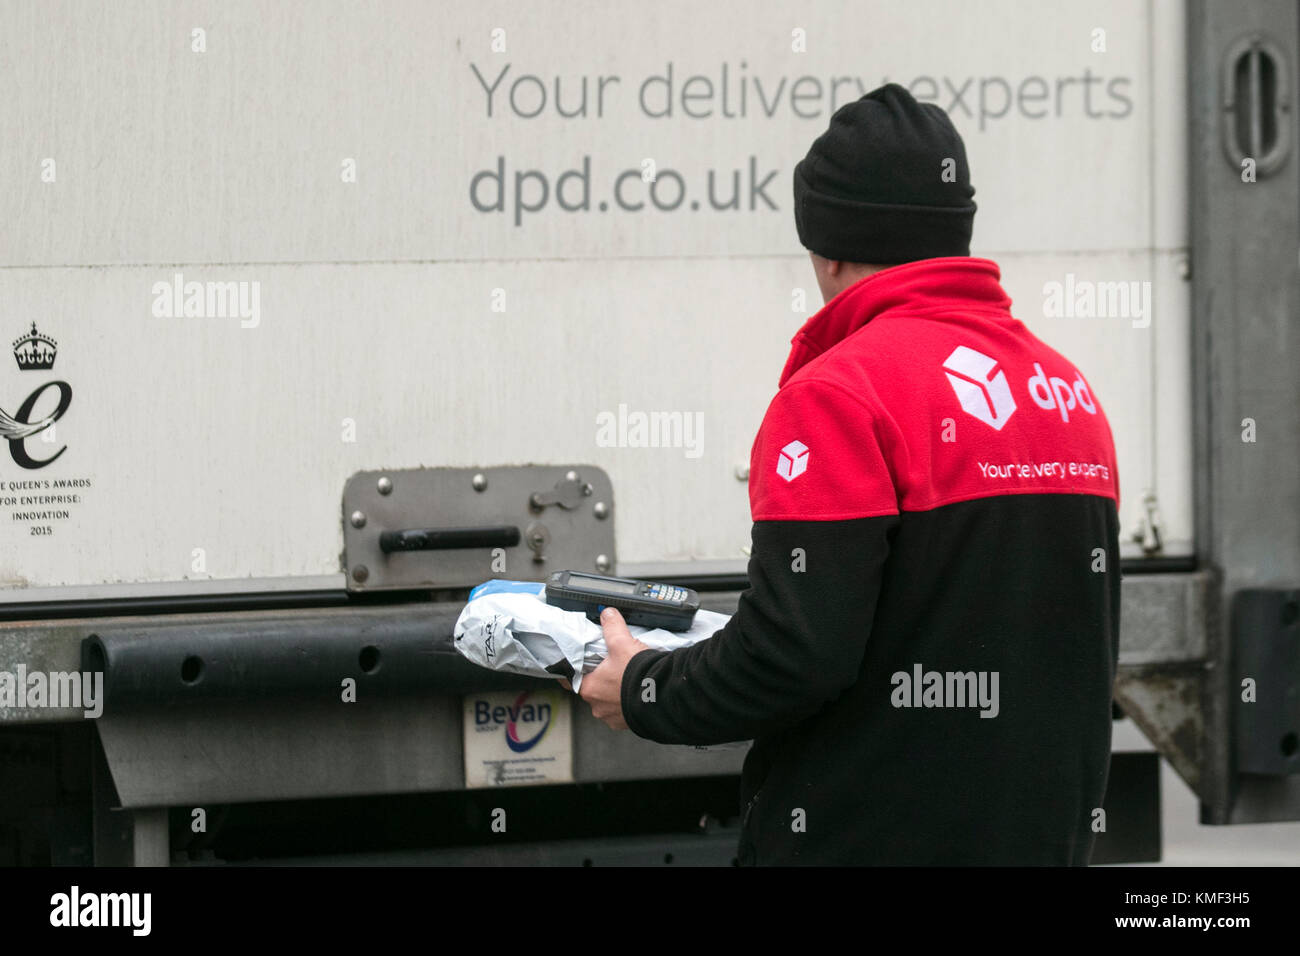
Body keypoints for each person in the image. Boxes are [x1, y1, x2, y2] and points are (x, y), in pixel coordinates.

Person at [575, 83, 1121, 865]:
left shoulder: (840, 395)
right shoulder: (1065, 390)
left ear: (826, 245)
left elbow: (794, 658)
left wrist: (645, 688)